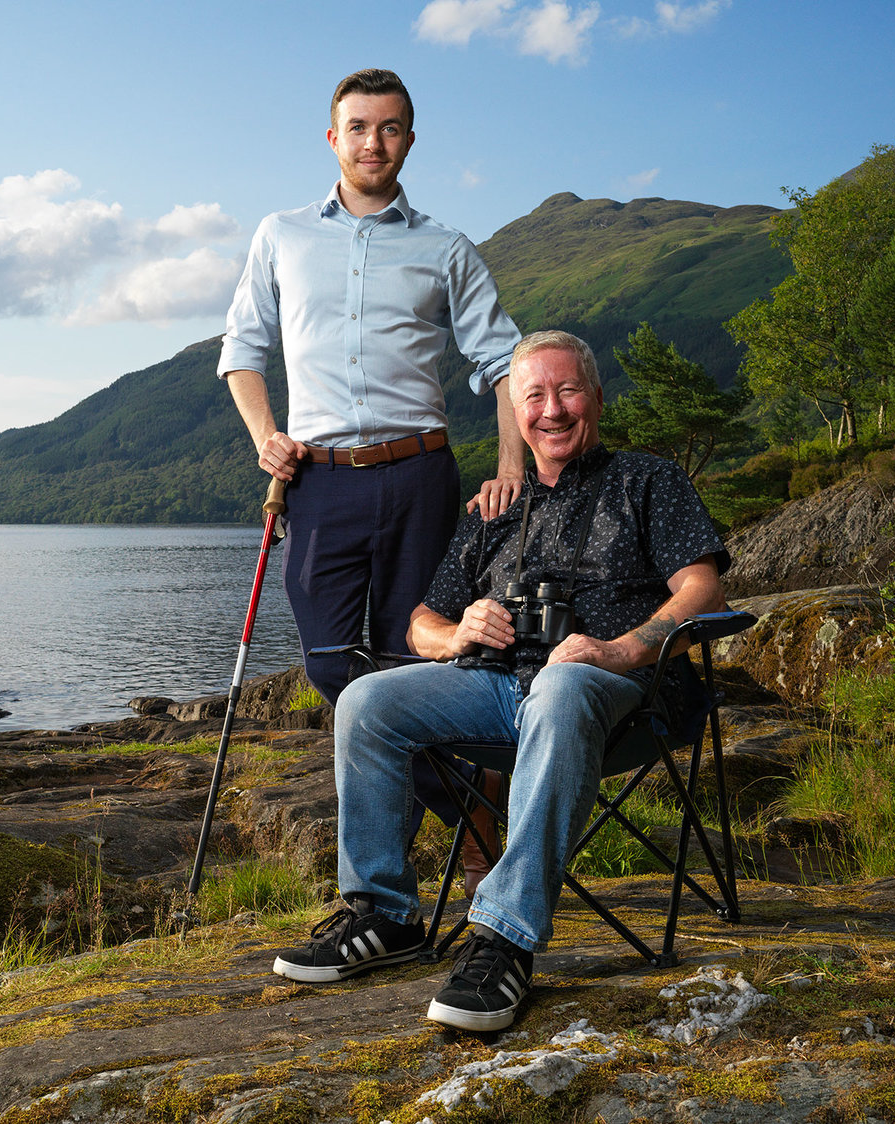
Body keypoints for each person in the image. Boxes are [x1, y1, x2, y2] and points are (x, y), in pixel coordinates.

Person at [270, 330, 731, 1033]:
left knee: (563, 684)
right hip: (494, 689)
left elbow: (701, 582)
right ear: (516, 412)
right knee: (365, 698)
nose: (553, 409)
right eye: (534, 396)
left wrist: (620, 649)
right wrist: (455, 635)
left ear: (597, 399)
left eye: (568, 390)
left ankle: (504, 939)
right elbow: (420, 621)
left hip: (616, 693)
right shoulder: (495, 508)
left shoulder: (648, 482)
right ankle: (385, 915)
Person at [218, 69, 521, 892]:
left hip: (420, 473)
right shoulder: (280, 235)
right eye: (357, 128)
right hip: (319, 482)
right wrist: (266, 441)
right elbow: (242, 353)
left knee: (410, 655)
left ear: (409, 141)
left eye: (389, 129)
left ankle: (388, 886)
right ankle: (469, 796)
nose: (373, 143)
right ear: (332, 138)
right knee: (326, 664)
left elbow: (505, 363)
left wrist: (509, 466)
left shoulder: (446, 247)